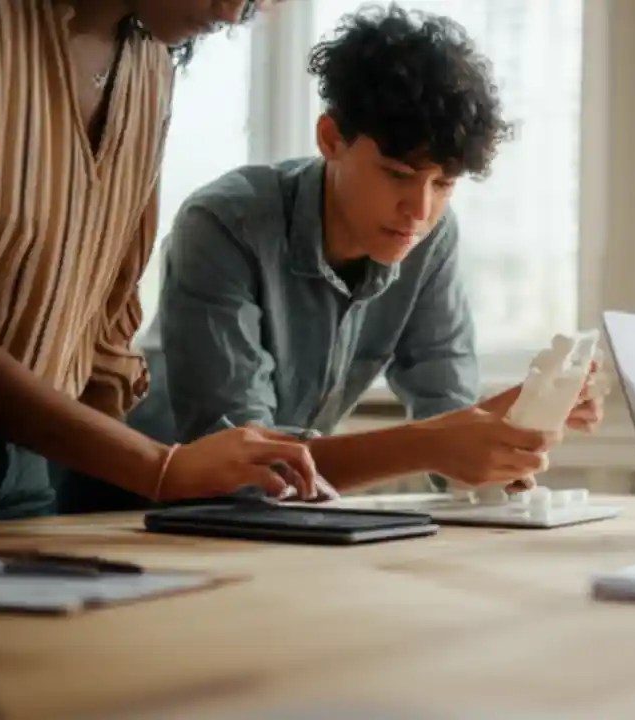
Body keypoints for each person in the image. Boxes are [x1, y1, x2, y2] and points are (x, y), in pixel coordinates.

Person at [58, 5, 601, 511]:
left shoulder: (430, 238)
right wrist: (436, 444)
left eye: (445, 183)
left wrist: (501, 432)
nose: (420, 208)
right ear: (330, 138)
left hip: (264, 524)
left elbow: (444, 430)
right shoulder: (224, 224)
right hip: (127, 513)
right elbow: (246, 467)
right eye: (399, 174)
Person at [0, 0, 323, 525]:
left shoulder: (148, 70)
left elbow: (105, 328)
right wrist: (157, 467)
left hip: (32, 471)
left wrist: (118, 489)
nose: (233, 14)